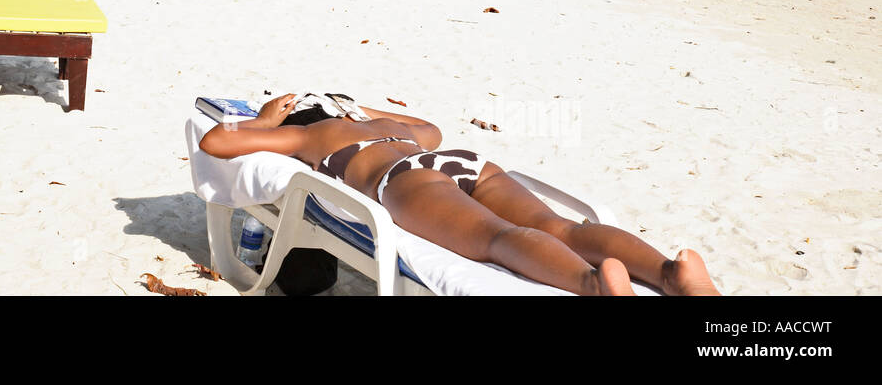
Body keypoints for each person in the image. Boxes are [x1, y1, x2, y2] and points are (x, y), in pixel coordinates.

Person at [200, 94, 722, 296]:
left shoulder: (310, 136)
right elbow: (431, 133)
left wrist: (265, 121)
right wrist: (375, 115)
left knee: (500, 238)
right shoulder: (379, 123)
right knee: (567, 228)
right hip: (463, 163)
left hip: (404, 179)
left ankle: (592, 284)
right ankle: (672, 273)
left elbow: (217, 140)